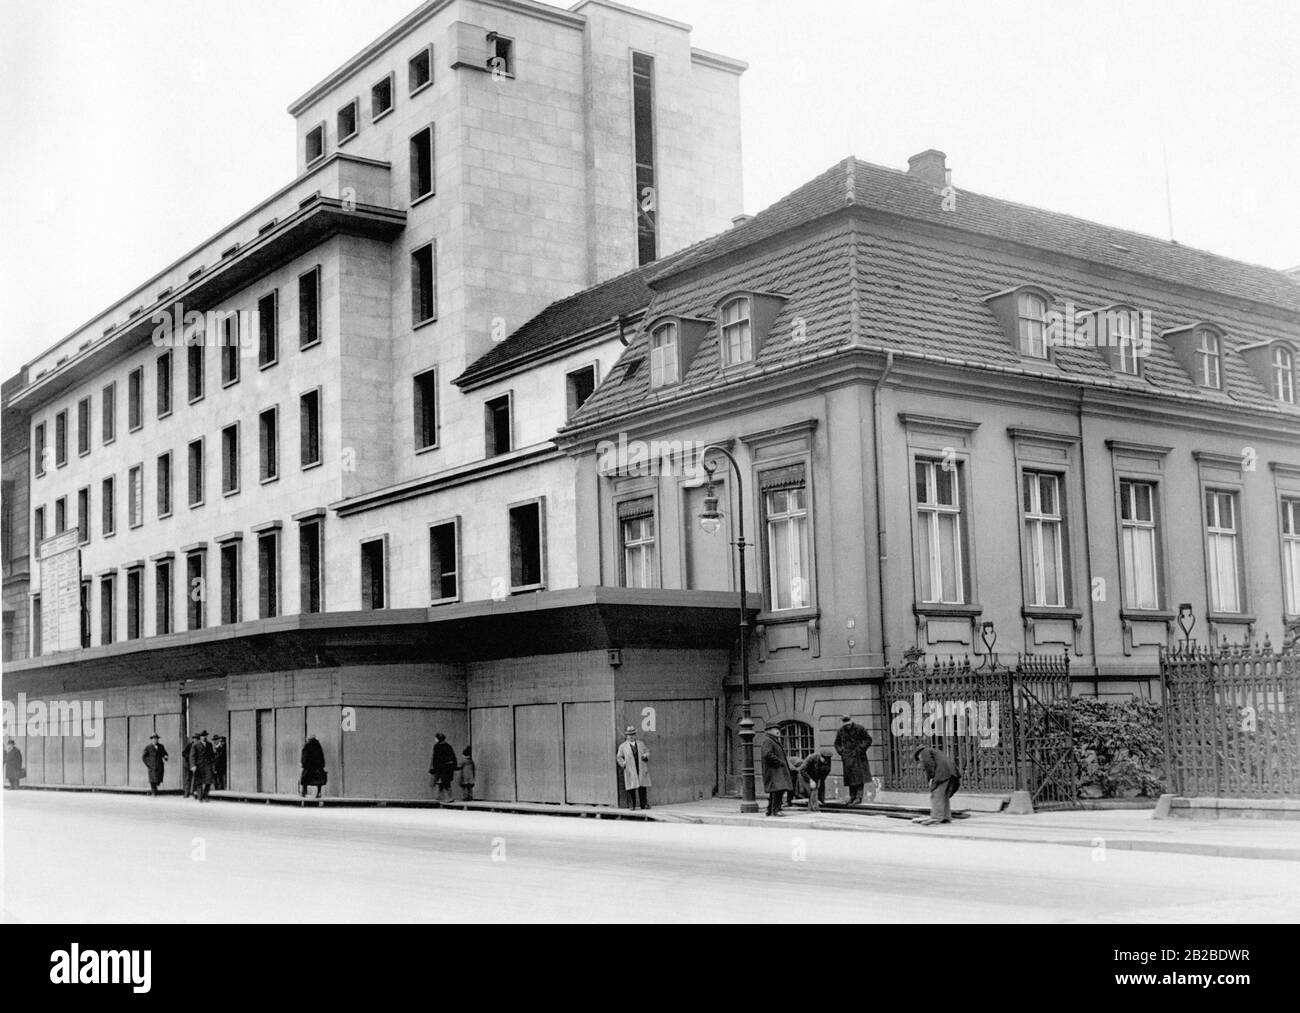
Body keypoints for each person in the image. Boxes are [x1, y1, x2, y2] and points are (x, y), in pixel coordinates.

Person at [913, 744, 960, 824]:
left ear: (918, 754)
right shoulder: (933, 751)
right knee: (943, 795)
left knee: (936, 794)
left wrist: (931, 778)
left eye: (919, 760)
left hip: (943, 773)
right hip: (951, 772)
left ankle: (936, 817)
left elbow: (929, 765)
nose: (920, 762)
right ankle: (945, 817)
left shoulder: (924, 753)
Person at [834, 715, 873, 805]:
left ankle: (859, 797)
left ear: (851, 722)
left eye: (848, 724)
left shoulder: (859, 729)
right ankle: (852, 797)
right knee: (850, 779)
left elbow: (868, 739)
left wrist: (860, 748)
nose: (847, 726)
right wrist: (841, 751)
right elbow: (837, 743)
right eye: (845, 725)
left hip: (858, 756)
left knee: (859, 778)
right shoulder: (841, 731)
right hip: (847, 757)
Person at [759, 725, 793, 817]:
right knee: (778, 790)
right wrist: (779, 762)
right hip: (774, 771)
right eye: (775, 729)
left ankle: (770, 810)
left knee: (776, 791)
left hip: (776, 771)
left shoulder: (773, 741)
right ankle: (776, 810)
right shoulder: (768, 741)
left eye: (778, 729)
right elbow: (767, 754)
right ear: (769, 731)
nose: (778, 731)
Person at [615, 726, 651, 810]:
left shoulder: (641, 744)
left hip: (640, 767)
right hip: (630, 769)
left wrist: (646, 755)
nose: (631, 736)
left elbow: (647, 751)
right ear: (627, 736)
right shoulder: (623, 746)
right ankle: (632, 806)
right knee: (631, 787)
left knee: (642, 787)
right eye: (629, 735)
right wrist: (623, 764)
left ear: (635, 735)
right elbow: (619, 757)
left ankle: (644, 804)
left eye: (633, 734)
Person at [799, 747, 834, 813]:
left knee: (817, 790)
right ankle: (814, 809)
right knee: (813, 790)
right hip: (805, 775)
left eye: (827, 759)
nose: (826, 761)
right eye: (824, 759)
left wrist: (820, 780)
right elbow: (802, 770)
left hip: (816, 776)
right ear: (820, 756)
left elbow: (827, 771)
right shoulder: (811, 758)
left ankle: (812, 808)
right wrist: (810, 780)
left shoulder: (827, 760)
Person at [428, 732, 458, 802]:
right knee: (443, 782)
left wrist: (433, 767)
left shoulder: (437, 746)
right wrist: (454, 766)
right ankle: (441, 797)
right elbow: (453, 757)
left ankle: (445, 797)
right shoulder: (448, 746)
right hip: (447, 768)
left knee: (443, 782)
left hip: (441, 768)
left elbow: (435, 758)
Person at [300, 734, 327, 798]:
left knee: (304, 779)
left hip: (308, 766)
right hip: (318, 766)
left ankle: (304, 792)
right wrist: (322, 765)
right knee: (319, 780)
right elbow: (321, 756)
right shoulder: (318, 745)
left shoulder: (307, 745)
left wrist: (303, 764)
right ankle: (319, 792)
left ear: (308, 739)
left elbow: (305, 756)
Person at [191, 731, 214, 802]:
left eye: (205, 736)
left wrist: (212, 763)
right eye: (203, 736)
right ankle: (200, 797)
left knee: (208, 781)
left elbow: (212, 755)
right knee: (199, 782)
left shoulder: (209, 745)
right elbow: (192, 756)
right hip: (199, 766)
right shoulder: (195, 745)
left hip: (207, 765)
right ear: (200, 737)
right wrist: (193, 765)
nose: (204, 737)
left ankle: (206, 795)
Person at [181, 732, 197, 797]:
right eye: (195, 739)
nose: (196, 740)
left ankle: (194, 792)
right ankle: (186, 793)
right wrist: (189, 757)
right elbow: (183, 753)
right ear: (193, 739)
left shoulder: (198, 746)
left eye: (197, 739)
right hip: (188, 765)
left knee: (196, 779)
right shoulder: (189, 745)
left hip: (195, 765)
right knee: (188, 779)